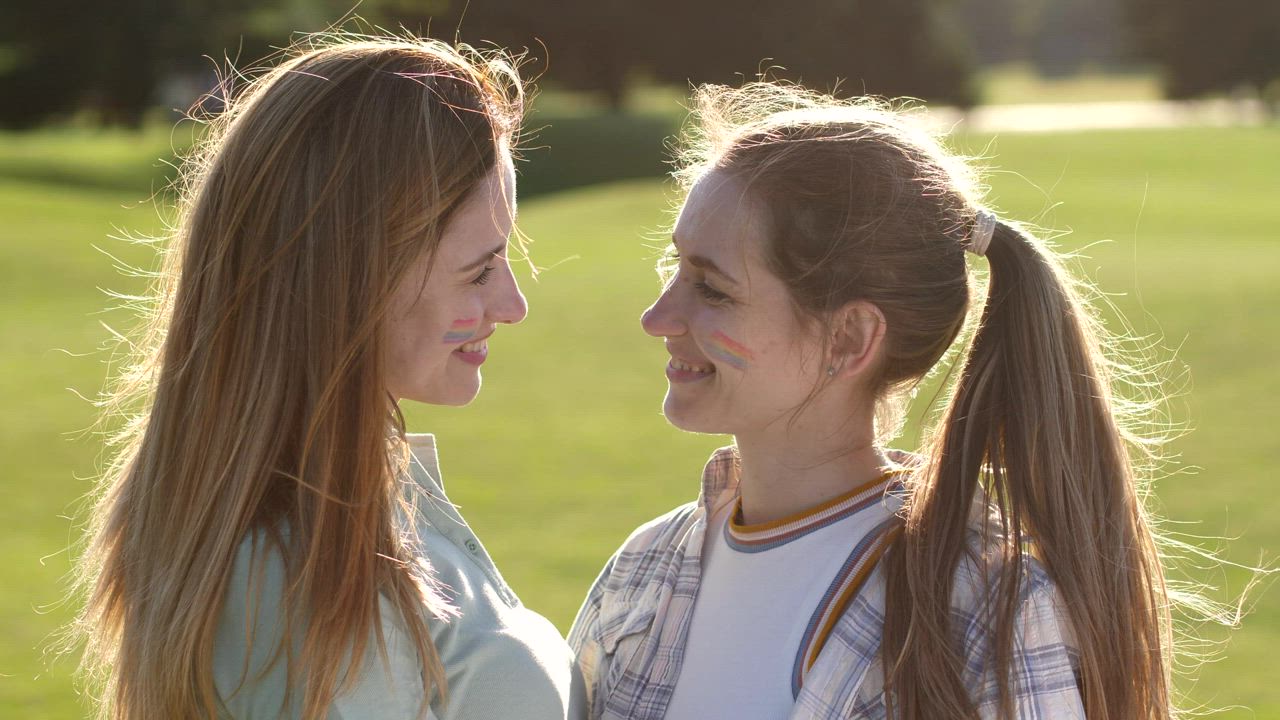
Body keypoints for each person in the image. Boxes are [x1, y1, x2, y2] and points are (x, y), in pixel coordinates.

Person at [569, 82, 1184, 719]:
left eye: (713, 289)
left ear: (850, 337)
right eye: (675, 269)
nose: (657, 316)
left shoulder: (978, 609)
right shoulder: (645, 570)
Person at [68, 36, 585, 720]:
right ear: (354, 283)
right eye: (480, 270)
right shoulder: (292, 577)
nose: (512, 306)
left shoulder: (342, 523)